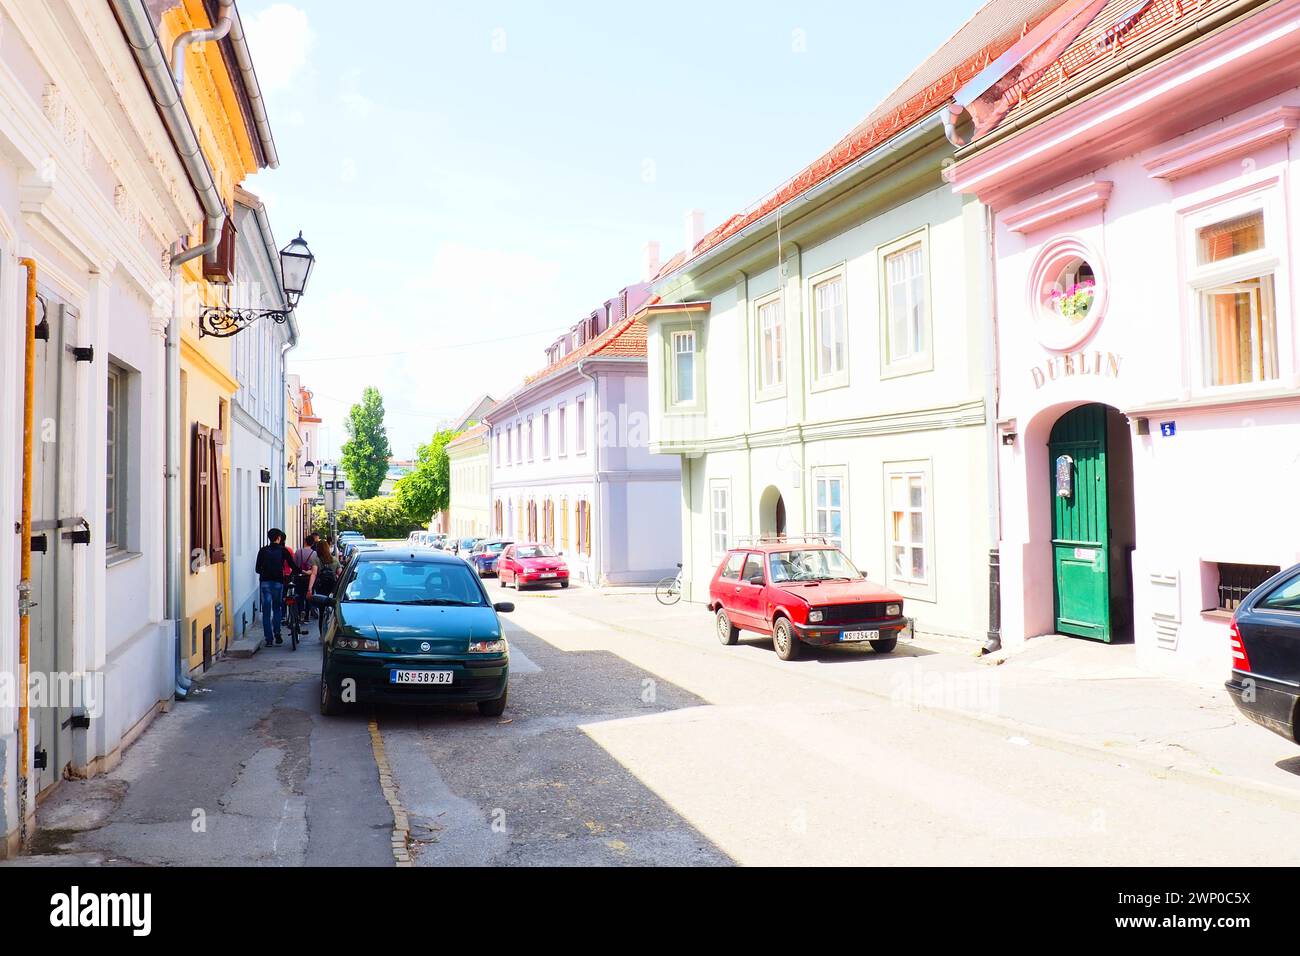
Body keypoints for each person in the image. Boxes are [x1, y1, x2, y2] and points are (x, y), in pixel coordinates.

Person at [255, 528, 296, 647]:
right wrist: (300, 571)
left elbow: (257, 569)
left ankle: (268, 639)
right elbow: (293, 565)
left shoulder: (263, 551)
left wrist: (265, 571)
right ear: (279, 538)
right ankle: (277, 632)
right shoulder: (283, 550)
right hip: (278, 583)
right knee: (277, 608)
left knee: (266, 611)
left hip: (265, 583)